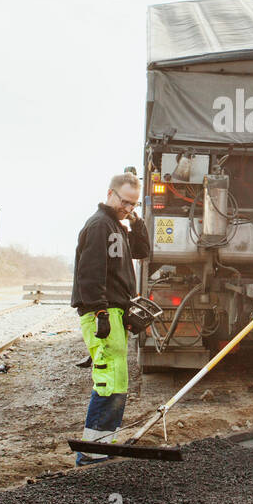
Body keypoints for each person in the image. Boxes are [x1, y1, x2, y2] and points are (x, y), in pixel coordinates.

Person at [70, 171, 151, 464]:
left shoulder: (116, 227)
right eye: (125, 202)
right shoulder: (98, 226)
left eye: (133, 205)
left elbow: (143, 251)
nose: (127, 208)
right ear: (110, 194)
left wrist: (137, 222)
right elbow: (89, 273)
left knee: (117, 381)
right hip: (101, 314)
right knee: (107, 381)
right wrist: (101, 311)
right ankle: (91, 456)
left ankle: (103, 447)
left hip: (114, 314)